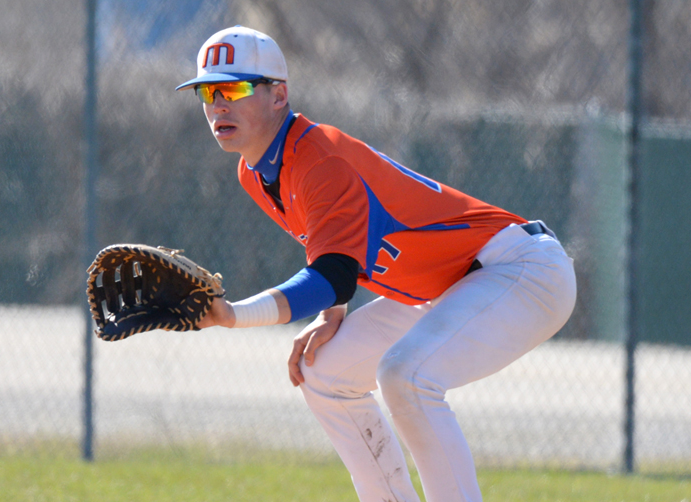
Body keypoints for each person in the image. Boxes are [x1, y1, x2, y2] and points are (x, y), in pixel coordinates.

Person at [180, 26, 577, 502]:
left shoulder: (318, 157)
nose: (218, 104)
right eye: (207, 91)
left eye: (235, 87)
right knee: (324, 372)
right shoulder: (256, 171)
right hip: (446, 287)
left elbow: (334, 274)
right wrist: (332, 313)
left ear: (278, 95)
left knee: (406, 377)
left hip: (519, 270)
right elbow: (333, 246)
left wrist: (235, 315)